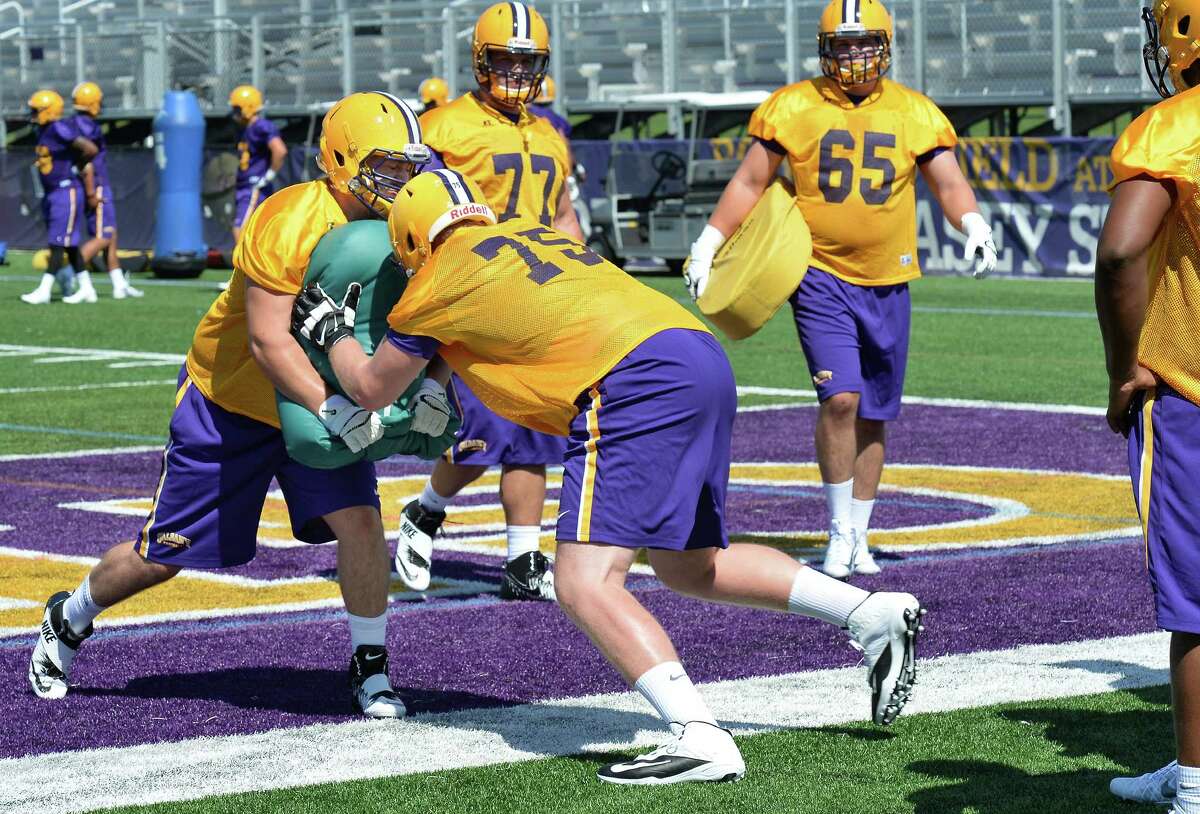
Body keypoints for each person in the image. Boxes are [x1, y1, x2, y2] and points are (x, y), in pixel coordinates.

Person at [292, 168, 926, 784]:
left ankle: (696, 734)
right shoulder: (527, 235)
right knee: (689, 564)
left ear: (410, 239)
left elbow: (372, 387)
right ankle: (867, 612)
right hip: (695, 353)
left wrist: (331, 330)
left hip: (631, 379)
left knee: (583, 580)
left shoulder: (438, 279)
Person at [28, 92, 450, 719]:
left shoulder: (407, 219)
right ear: (340, 158)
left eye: (409, 167)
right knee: (165, 555)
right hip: (235, 400)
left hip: (326, 390)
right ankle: (70, 616)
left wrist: (436, 383)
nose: (403, 181)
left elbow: (439, 313)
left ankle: (371, 666)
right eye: (387, 166)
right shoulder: (288, 219)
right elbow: (267, 338)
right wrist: (331, 407)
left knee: (361, 520)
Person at [684, 0, 997, 579]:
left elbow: (948, 181)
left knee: (875, 414)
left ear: (885, 44)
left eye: (864, 44)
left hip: (888, 277)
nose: (854, 57)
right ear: (826, 49)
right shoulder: (794, 106)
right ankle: (836, 532)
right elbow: (752, 181)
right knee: (842, 400)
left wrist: (973, 224)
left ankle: (859, 535)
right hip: (818, 272)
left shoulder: (914, 111)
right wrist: (709, 242)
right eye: (843, 46)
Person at [399, 1, 584, 601]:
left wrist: (583, 272)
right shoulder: (442, 126)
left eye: (526, 61)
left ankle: (522, 556)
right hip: (471, 290)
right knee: (478, 432)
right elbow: (411, 207)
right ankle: (425, 510)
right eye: (504, 58)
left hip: (536, 295)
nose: (516, 72)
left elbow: (560, 212)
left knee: (532, 425)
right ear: (480, 61)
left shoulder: (550, 132)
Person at [1098, 1, 1200, 809]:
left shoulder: (1175, 126)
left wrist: (1123, 367)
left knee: (1197, 600)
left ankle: (1196, 783)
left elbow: (1125, 245)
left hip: (1195, 388)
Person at [66, 81, 143, 302]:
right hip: (95, 184)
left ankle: (119, 283)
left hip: (92, 183)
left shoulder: (74, 123)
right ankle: (68, 272)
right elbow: (87, 161)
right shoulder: (88, 127)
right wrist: (91, 191)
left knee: (111, 234)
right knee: (104, 235)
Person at [20, 90, 98, 305]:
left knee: (57, 243)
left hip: (66, 191)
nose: (33, 115)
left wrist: (76, 165)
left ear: (48, 110)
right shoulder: (43, 130)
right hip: (54, 192)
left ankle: (44, 290)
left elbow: (90, 149)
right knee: (69, 245)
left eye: (36, 111)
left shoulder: (59, 128)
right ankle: (87, 289)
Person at [229, 84, 287, 246]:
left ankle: (243, 270)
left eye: (236, 108)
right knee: (257, 232)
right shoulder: (246, 128)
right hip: (246, 187)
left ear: (247, 108)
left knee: (240, 229)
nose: (234, 113)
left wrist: (269, 175)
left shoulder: (261, 126)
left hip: (254, 187)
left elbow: (280, 150)